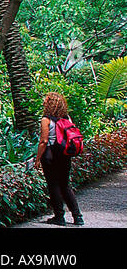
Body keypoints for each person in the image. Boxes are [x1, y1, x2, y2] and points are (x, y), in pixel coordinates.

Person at [28, 91, 84, 226]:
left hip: (51, 156)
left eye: (45, 101)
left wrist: (37, 159)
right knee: (65, 185)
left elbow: (43, 141)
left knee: (53, 185)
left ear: (49, 104)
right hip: (65, 155)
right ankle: (77, 217)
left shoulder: (46, 120)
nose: (43, 103)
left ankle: (59, 216)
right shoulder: (67, 118)